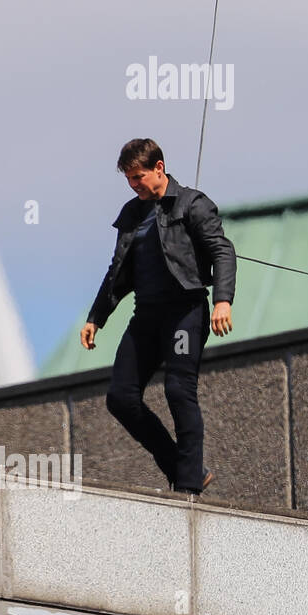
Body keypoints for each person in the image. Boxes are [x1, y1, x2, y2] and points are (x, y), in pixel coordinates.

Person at [80, 138, 236, 495]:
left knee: (178, 390)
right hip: (147, 317)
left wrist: (222, 300)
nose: (134, 185)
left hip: (185, 312)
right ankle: (183, 466)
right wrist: (96, 317)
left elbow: (222, 251)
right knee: (120, 397)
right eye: (129, 180)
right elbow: (117, 271)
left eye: (139, 177)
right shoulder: (132, 215)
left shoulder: (192, 204)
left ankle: (188, 485)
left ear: (160, 168)